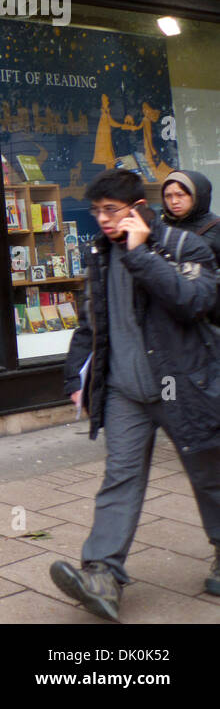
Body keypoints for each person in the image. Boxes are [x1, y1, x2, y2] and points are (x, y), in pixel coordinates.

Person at [51, 168, 220, 621]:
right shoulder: (99, 256)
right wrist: (76, 379)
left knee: (208, 473)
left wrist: (141, 252)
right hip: (125, 392)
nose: (103, 220)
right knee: (120, 477)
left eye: (111, 211)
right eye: (96, 212)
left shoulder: (186, 246)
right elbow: (92, 323)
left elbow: (192, 301)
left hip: (180, 385)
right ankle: (102, 574)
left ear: (139, 209)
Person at [162, 169, 220, 268]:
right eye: (168, 196)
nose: (174, 201)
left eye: (180, 195)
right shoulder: (160, 225)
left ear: (196, 196)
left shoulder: (216, 227)